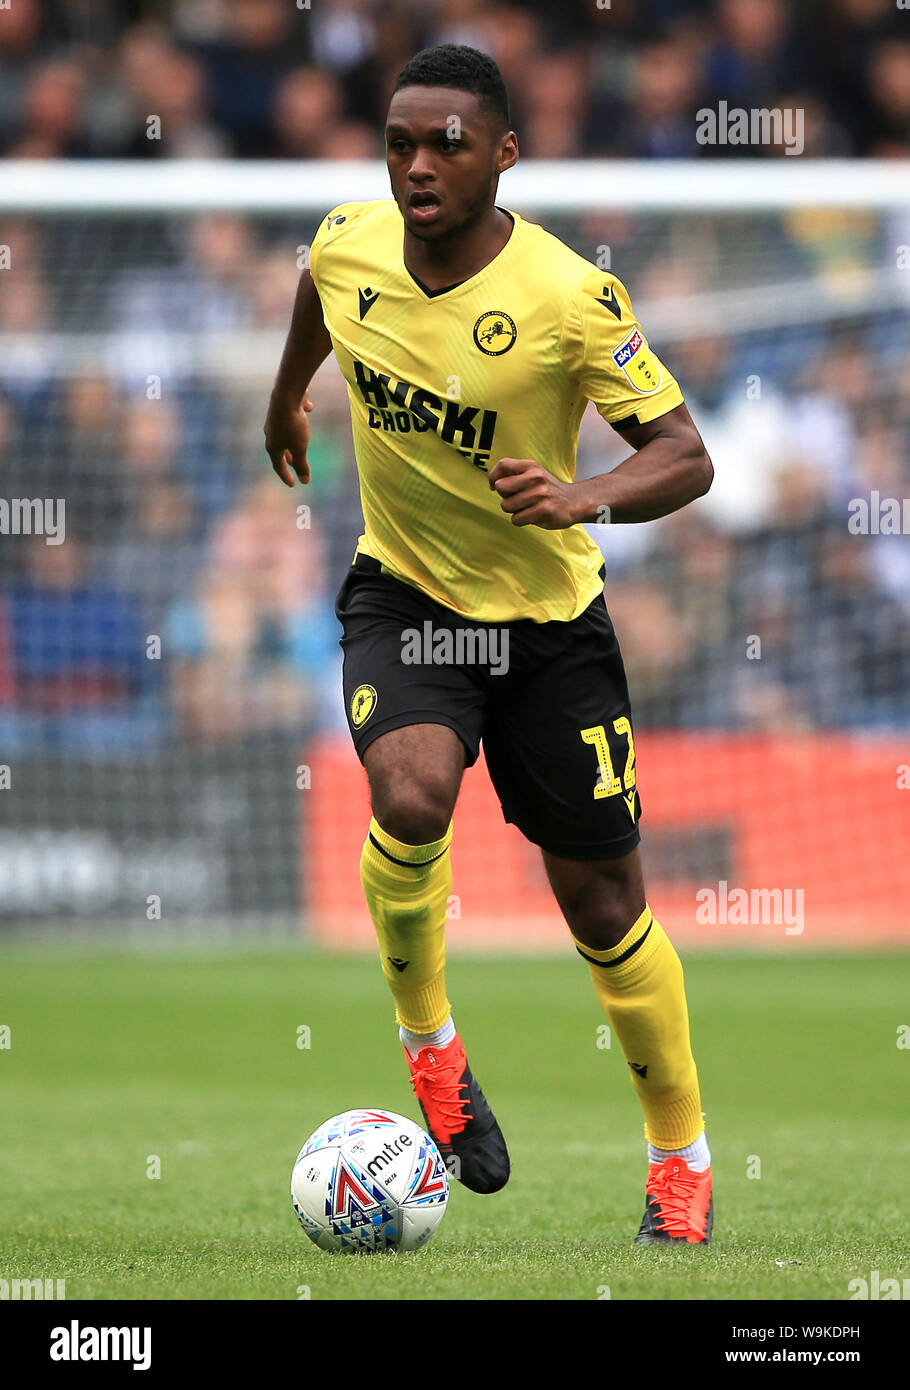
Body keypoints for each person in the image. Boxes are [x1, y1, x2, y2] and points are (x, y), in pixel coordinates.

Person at [264, 44, 715, 1245]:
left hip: (551, 628)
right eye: (401, 141)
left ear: (503, 154)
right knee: (410, 793)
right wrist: (284, 398)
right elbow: (317, 288)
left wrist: (584, 496)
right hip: (403, 595)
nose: (418, 164)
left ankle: (680, 1157)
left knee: (604, 907)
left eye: (446, 144)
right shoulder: (350, 240)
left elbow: (687, 452)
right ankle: (432, 1050)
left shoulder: (571, 297)